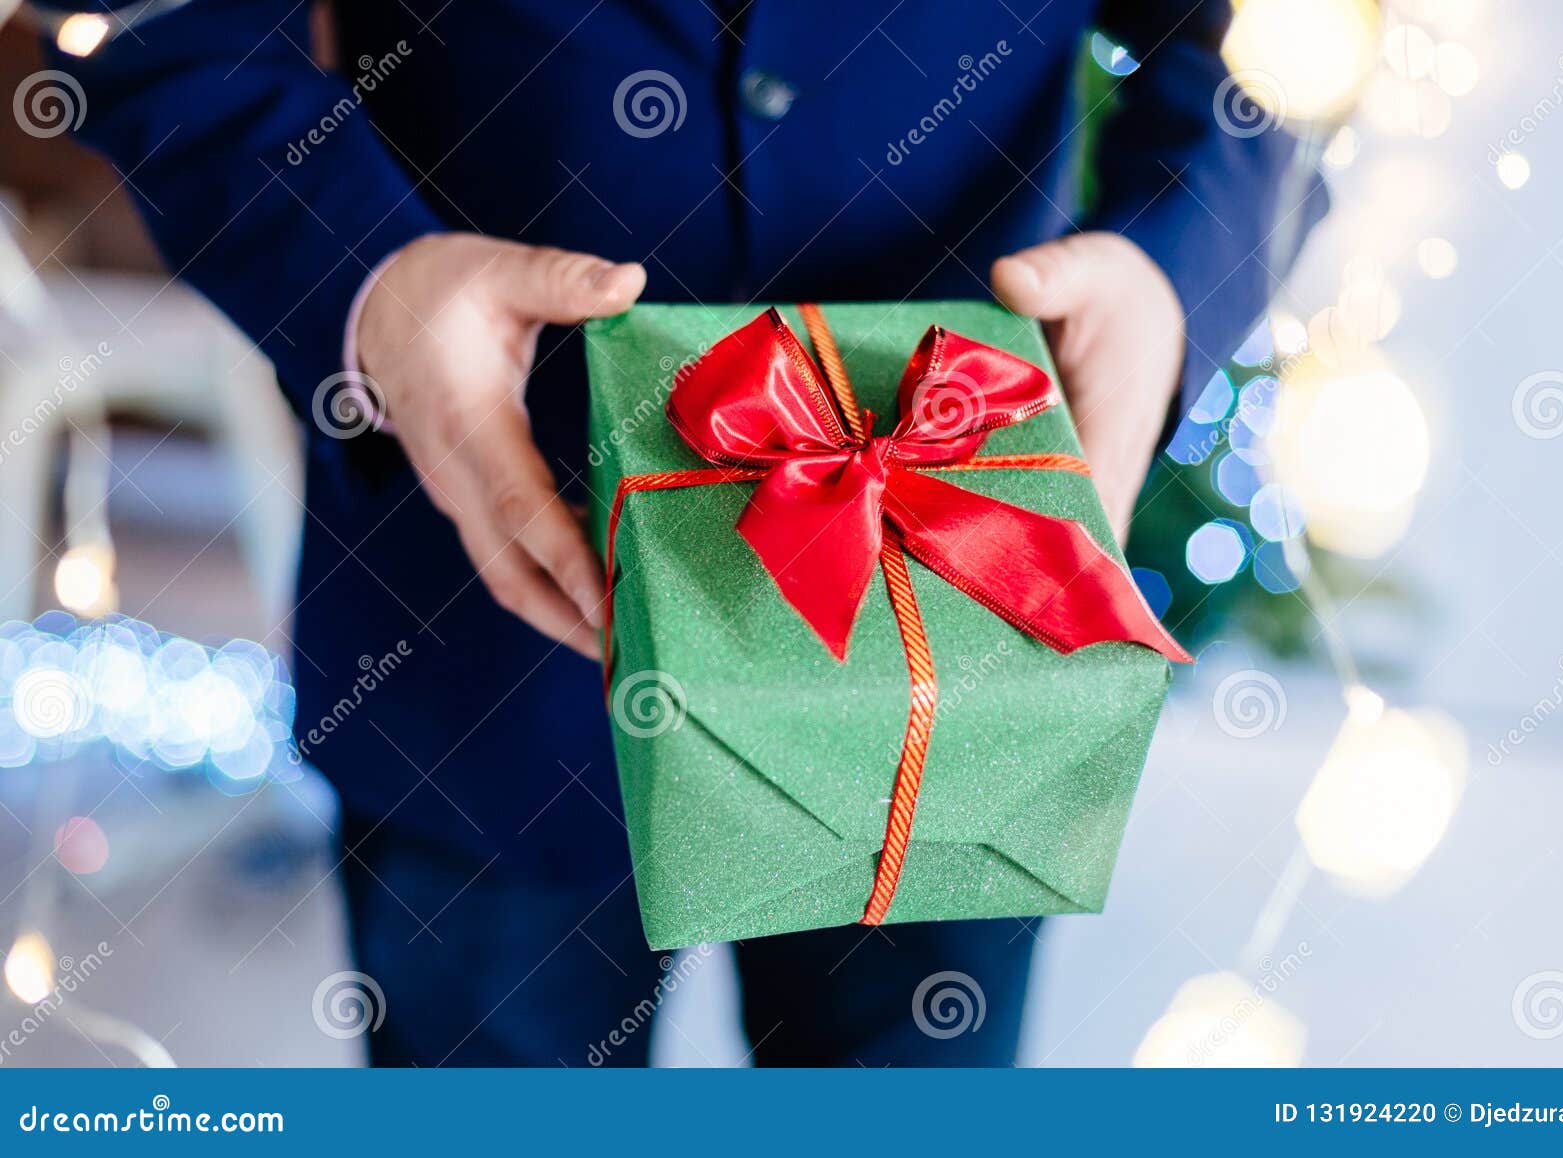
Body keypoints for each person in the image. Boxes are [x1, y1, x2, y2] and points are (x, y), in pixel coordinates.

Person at [49, 0, 1319, 1066]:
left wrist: (1176, 272)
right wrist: (368, 277)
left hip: (953, 642)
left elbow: (1262, 40)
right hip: (484, 642)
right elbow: (168, 25)